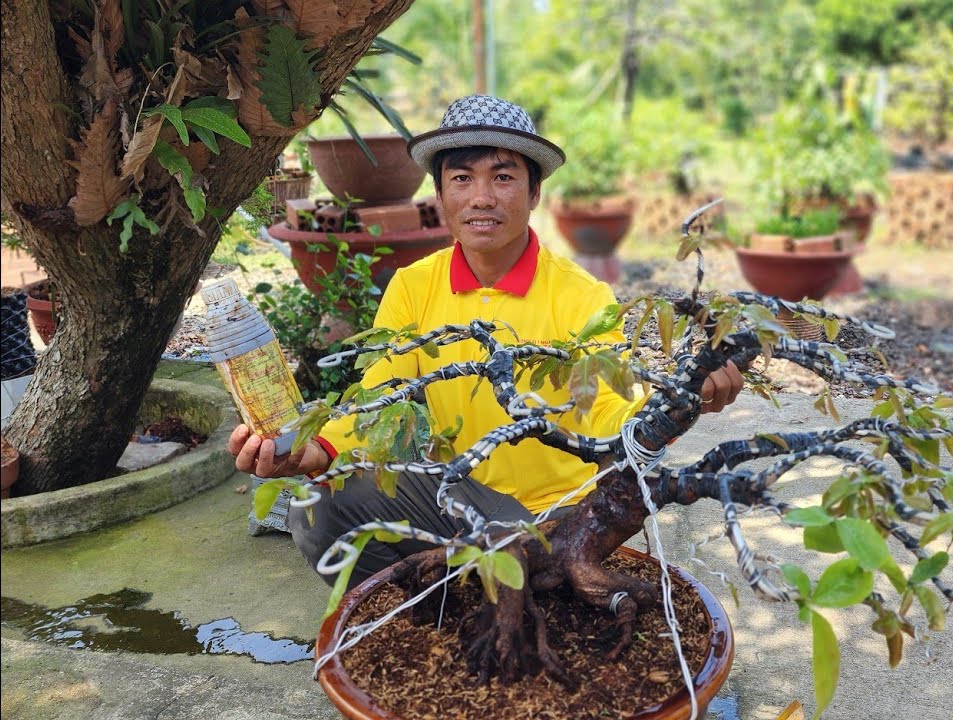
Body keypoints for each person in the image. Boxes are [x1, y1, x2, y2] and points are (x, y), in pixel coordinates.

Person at [228, 95, 743, 585]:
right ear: (440, 195)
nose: (481, 197)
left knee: (523, 580)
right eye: (462, 178)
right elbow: (378, 401)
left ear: (534, 192)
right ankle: (427, 619)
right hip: (458, 494)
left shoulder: (581, 296)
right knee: (318, 507)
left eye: (503, 177)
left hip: (554, 512)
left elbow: (608, 406)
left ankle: (512, 592)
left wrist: (676, 404)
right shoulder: (413, 286)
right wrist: (316, 451)